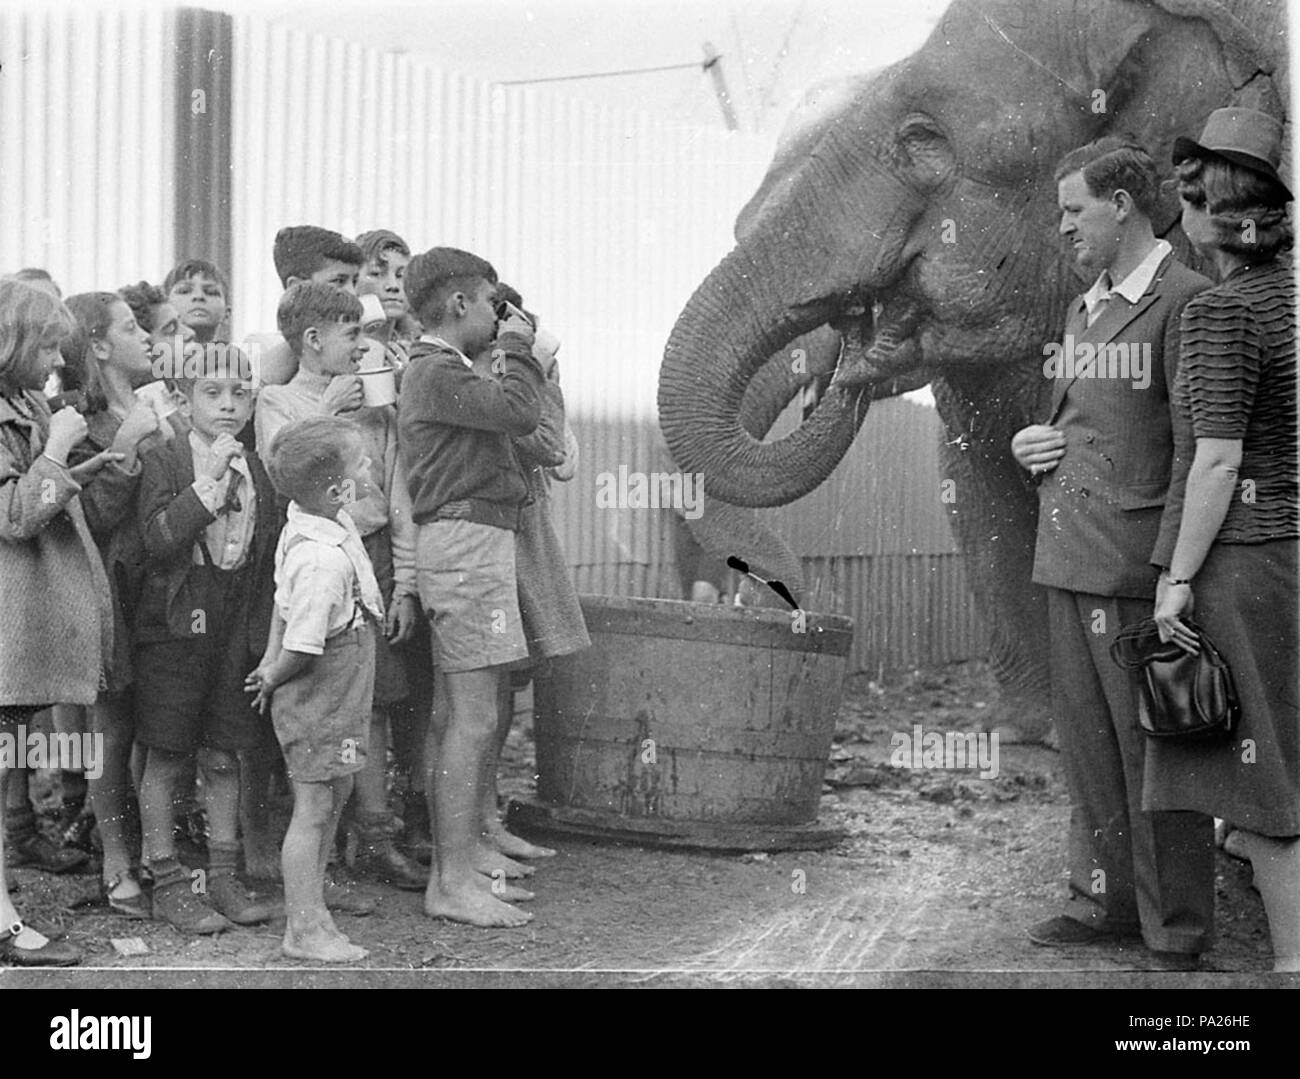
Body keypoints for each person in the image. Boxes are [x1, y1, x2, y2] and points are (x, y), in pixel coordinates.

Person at [1011, 136, 1215, 968]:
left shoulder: (1188, 301)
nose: (1063, 228)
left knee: (1153, 750)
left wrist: (1174, 571)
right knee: (1089, 746)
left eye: (1073, 210)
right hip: (1066, 559)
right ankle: (1101, 902)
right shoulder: (1082, 307)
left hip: (1135, 570)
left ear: (1122, 204)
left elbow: (1198, 451)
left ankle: (1175, 928)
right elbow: (1092, 426)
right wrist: (1038, 446)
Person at [1149, 107, 1298, 973]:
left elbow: (1213, 465)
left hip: (1243, 561)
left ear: (1210, 212)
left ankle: (1289, 968)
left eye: (1187, 197)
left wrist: (1175, 580)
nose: (1181, 214)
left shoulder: (1218, 312)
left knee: (1260, 774)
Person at [253, 282, 423, 890]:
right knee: (322, 699)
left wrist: (404, 579)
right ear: (313, 340)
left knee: (374, 699)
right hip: (316, 559)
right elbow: (284, 470)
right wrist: (327, 409)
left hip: (371, 554)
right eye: (352, 334)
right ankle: (319, 858)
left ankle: (373, 835)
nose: (362, 347)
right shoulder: (277, 399)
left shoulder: (378, 408)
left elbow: (395, 494)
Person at [399, 247, 544, 927]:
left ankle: (461, 867)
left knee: (471, 716)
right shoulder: (432, 371)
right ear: (459, 304)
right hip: (463, 550)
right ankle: (450, 880)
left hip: (474, 546)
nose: (501, 314)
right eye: (493, 302)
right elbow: (519, 409)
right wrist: (521, 345)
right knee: (473, 717)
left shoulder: (444, 371)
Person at [132, 345, 281, 934]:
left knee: (224, 753)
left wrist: (258, 639)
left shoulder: (259, 467)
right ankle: (169, 881)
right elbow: (158, 541)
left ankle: (221, 874)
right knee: (168, 752)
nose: (226, 405)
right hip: (174, 628)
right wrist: (207, 485)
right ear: (184, 400)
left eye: (238, 394)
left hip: (230, 627)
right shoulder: (167, 460)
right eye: (211, 393)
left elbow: (262, 555)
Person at [1, 279, 122, 965]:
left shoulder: (23, 401)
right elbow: (13, 514)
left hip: (23, 623)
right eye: (45, 341)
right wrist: (56, 451)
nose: (55, 357)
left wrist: (85, 463)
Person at [246, 415, 381, 963]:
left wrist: (271, 659)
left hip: (340, 690)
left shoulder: (317, 520)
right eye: (362, 464)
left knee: (334, 793)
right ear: (335, 489)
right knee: (315, 806)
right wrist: (275, 671)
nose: (371, 467)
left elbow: (283, 608)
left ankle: (315, 906)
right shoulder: (320, 559)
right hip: (319, 691)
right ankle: (302, 928)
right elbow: (303, 641)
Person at [469, 284, 586, 863]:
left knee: (508, 687)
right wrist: (536, 378)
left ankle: (489, 818)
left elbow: (563, 457)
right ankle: (473, 828)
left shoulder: (522, 375)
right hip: (496, 541)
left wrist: (546, 376)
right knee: (481, 694)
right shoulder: (490, 382)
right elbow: (540, 443)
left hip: (526, 538)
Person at [62, 292, 169, 917]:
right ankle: (115, 862)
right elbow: (92, 517)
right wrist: (128, 445)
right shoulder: (78, 419)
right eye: (132, 328)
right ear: (99, 345)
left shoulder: (156, 403)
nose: (147, 337)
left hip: (165, 589)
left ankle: (155, 853)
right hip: (113, 592)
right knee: (112, 727)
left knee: (156, 727)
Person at [250, 227, 364, 387]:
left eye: (355, 282)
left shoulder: (358, 342)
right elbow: (249, 393)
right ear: (296, 287)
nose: (352, 292)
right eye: (339, 281)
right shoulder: (261, 345)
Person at [163, 259, 230, 346]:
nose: (198, 296)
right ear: (164, 307)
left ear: (227, 313)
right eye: (184, 291)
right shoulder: (146, 356)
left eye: (211, 292)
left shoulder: (236, 357)